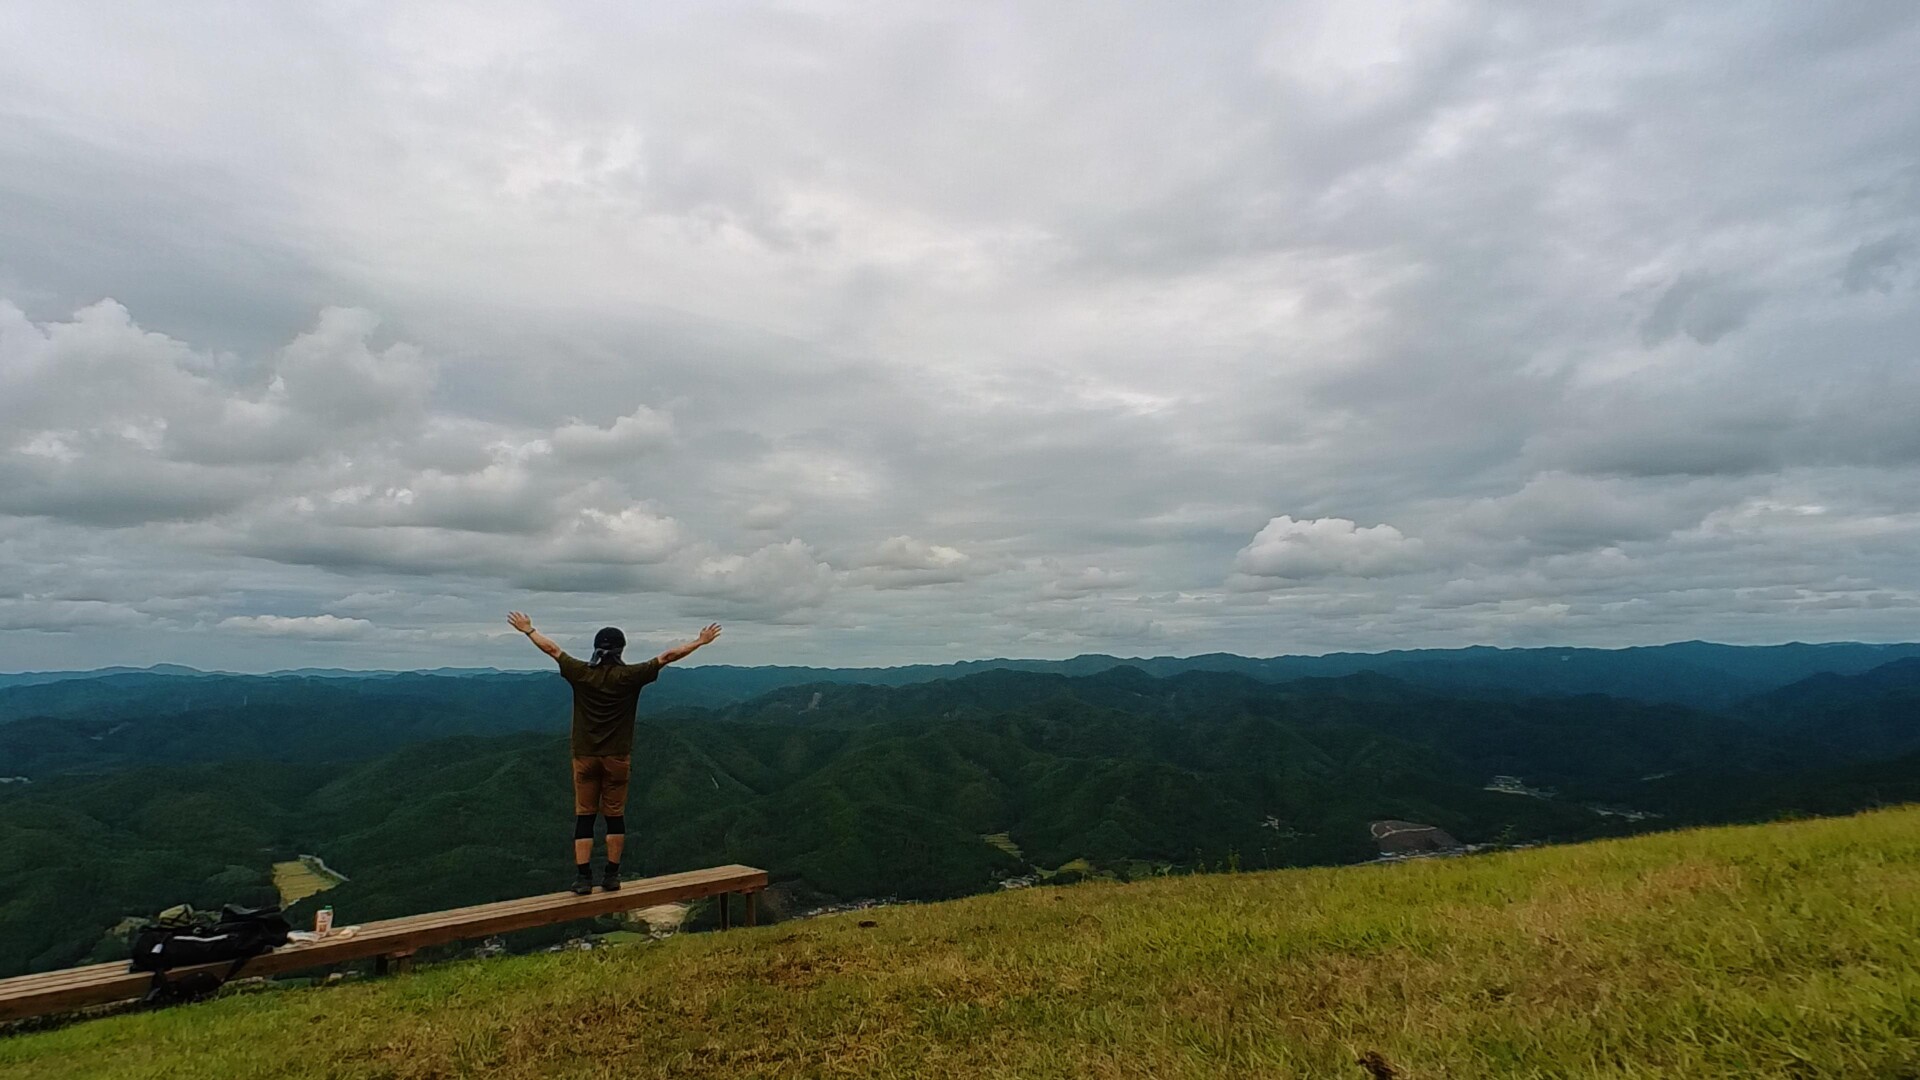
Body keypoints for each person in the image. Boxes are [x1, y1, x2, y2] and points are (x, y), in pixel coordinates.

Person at [506, 612, 722, 895]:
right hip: (617, 757)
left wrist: (529, 630)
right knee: (614, 816)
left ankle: (583, 877)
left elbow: (553, 650)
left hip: (584, 755)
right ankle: (611, 875)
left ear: (596, 648)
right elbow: (667, 656)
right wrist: (700, 641)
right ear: (621, 649)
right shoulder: (629, 676)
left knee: (585, 816)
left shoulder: (582, 673)